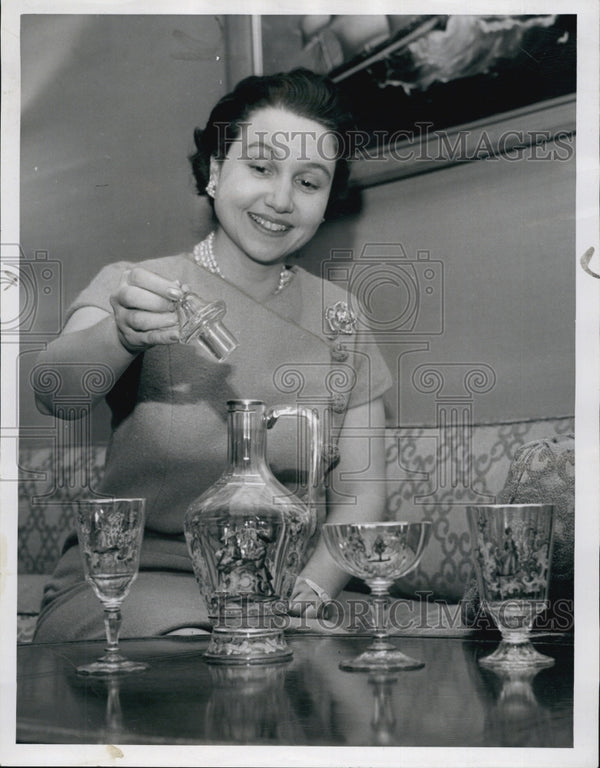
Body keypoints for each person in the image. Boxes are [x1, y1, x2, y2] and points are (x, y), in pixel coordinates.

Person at [33, 68, 392, 641]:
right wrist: (121, 335)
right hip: (131, 582)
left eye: (308, 181)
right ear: (216, 170)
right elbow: (55, 393)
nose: (280, 199)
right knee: (214, 659)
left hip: (276, 591)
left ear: (327, 201)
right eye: (260, 167)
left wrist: (316, 588)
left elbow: (361, 488)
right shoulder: (140, 285)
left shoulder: (343, 317)